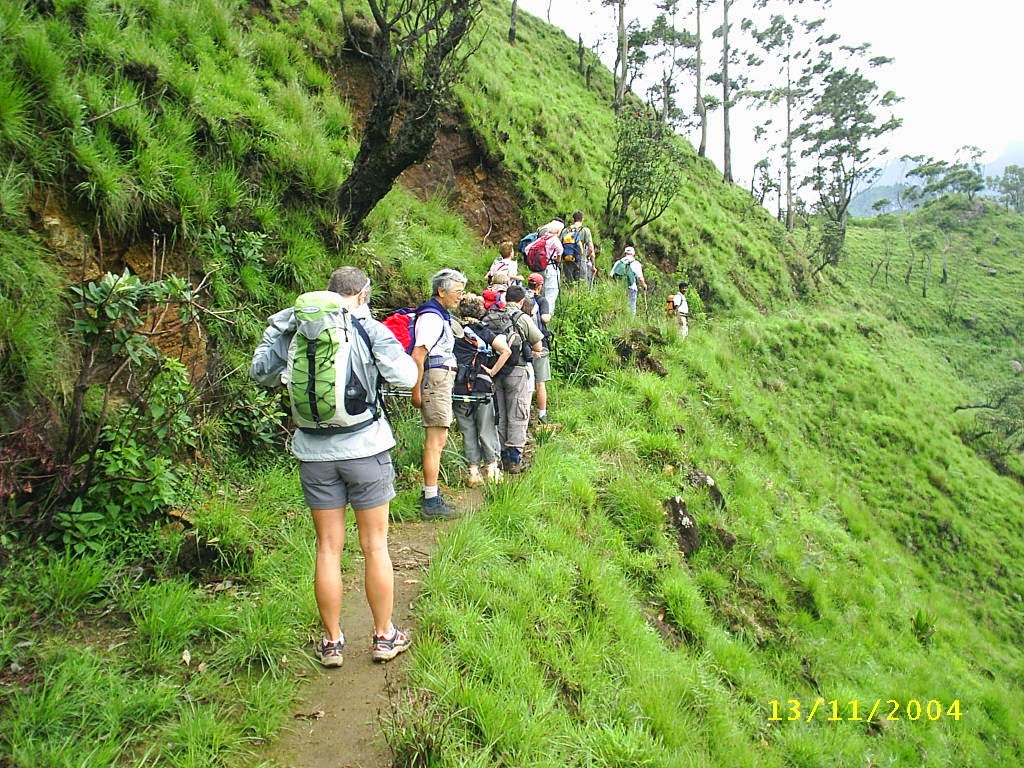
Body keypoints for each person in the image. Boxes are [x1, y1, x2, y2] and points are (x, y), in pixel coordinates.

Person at [249, 266, 418, 668]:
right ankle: (383, 636)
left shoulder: (294, 325)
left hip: (313, 454)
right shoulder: (367, 328)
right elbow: (407, 375)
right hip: (366, 449)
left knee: (327, 548)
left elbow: (260, 374)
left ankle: (332, 642)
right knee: (375, 546)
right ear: (363, 294)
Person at [411, 268, 468, 519]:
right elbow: (418, 355)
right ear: (441, 291)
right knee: (435, 442)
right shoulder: (432, 318)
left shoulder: (439, 315)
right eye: (457, 291)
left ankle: (431, 494)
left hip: (440, 379)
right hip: (435, 379)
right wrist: (416, 390)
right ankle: (430, 501)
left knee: (439, 440)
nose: (461, 296)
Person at [453, 293, 512, 486]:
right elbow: (506, 350)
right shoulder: (483, 332)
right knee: (486, 427)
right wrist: (493, 370)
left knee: (467, 429)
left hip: (458, 387)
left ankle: (473, 472)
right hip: (481, 384)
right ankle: (493, 470)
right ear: (480, 311)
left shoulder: (452, 330)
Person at [492, 284, 543, 473]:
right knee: (518, 413)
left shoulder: (492, 315)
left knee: (500, 414)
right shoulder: (521, 318)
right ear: (521, 301)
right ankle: (514, 460)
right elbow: (538, 345)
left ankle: (499, 455)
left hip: (495, 370)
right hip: (516, 369)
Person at [526, 273, 553, 423]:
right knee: (540, 382)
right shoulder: (541, 300)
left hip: (524, 345)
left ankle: (526, 411)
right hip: (539, 344)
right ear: (540, 286)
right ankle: (542, 414)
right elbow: (545, 318)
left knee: (525, 381)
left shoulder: (522, 298)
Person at [559, 211, 595, 288]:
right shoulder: (585, 230)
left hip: (567, 260)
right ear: (582, 219)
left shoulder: (565, 230)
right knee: (581, 285)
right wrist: (593, 264)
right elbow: (591, 248)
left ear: (573, 219)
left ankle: (571, 297)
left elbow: (559, 246)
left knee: (570, 285)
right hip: (581, 260)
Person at [539, 219, 564, 314]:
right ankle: (547, 317)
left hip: (540, 268)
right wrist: (557, 259)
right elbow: (560, 252)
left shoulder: (541, 238)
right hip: (550, 268)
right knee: (551, 293)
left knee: (542, 292)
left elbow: (527, 249)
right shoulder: (554, 239)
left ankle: (538, 315)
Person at [613, 246, 648, 315]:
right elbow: (640, 278)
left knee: (620, 307)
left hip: (619, 288)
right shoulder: (635, 263)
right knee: (631, 308)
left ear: (625, 253)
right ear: (633, 254)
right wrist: (644, 285)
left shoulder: (618, 263)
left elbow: (611, 276)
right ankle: (631, 322)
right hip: (631, 288)